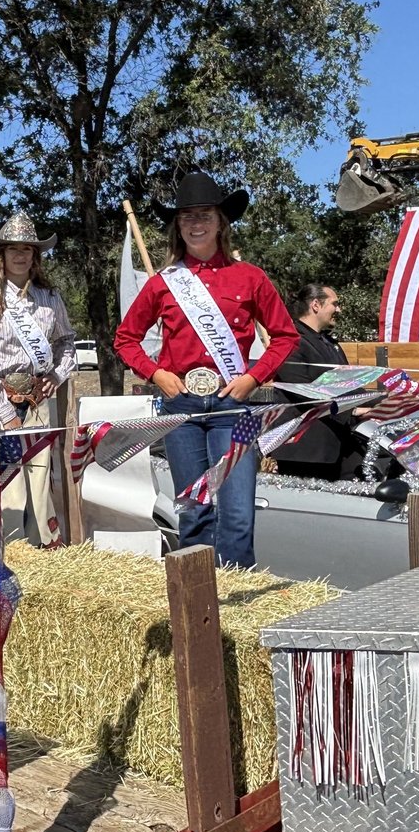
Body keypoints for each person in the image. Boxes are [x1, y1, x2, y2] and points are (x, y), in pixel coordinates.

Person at [114, 170, 299, 568]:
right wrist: (155, 374)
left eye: (204, 215)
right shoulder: (163, 283)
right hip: (181, 408)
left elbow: (285, 336)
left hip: (231, 407)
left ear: (221, 222)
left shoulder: (250, 277)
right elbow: (125, 339)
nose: (196, 224)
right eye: (187, 217)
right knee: (194, 511)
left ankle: (235, 602)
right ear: (177, 227)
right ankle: (195, 601)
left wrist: (252, 376)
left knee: (237, 514)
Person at [0, 212, 76, 547]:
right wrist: (7, 413)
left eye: (27, 248)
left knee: (40, 481)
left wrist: (56, 374)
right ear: (1, 253)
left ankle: (45, 549)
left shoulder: (50, 297)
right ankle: (10, 551)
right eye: (12, 248)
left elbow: (66, 341)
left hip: (37, 400)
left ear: (35, 254)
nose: (20, 255)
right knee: (6, 481)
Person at [272, 283, 363, 480]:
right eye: (334, 304)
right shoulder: (291, 341)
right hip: (306, 449)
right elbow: (302, 390)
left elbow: (350, 385)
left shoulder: (331, 345)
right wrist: (352, 411)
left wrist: (384, 400)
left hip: (339, 447)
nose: (338, 309)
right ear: (315, 305)